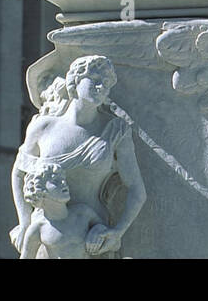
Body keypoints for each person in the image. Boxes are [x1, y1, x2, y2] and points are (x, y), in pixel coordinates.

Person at [10, 54, 145, 259]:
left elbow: (136, 189)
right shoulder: (43, 126)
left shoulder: (116, 129)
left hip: (93, 235)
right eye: (96, 81)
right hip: (49, 233)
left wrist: (117, 231)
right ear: (75, 80)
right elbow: (19, 174)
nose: (102, 87)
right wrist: (25, 222)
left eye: (107, 84)